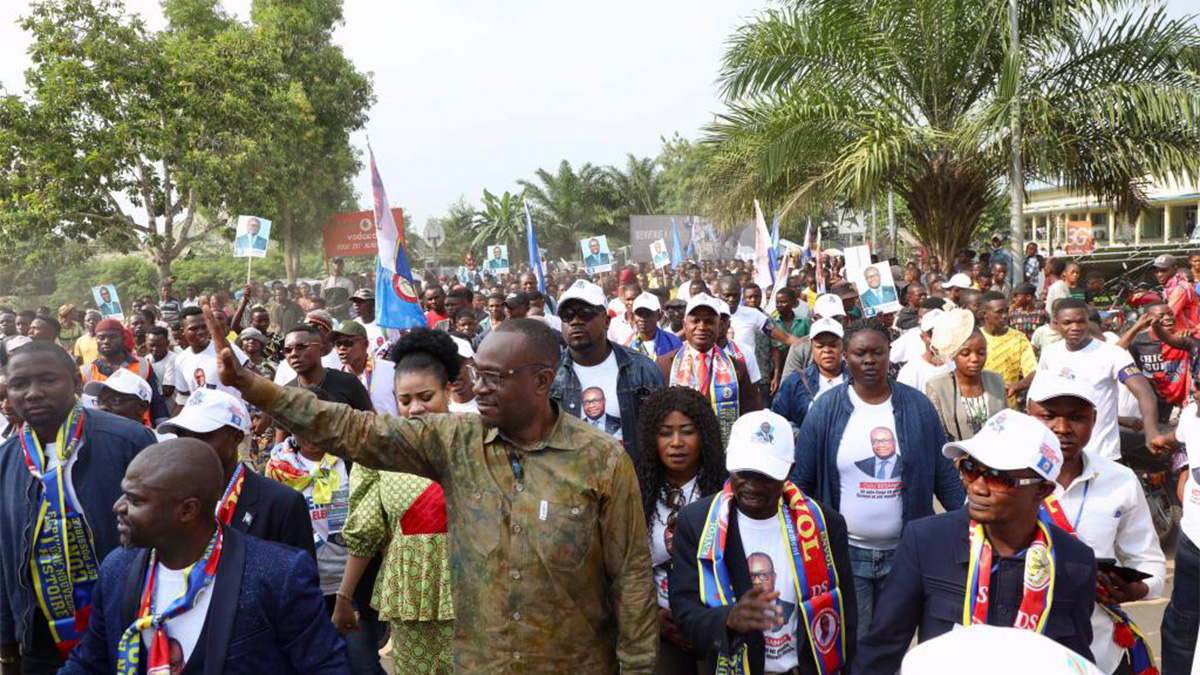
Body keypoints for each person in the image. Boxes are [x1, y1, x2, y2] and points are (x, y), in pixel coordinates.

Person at [201, 307, 658, 673]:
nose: (478, 388)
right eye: (478, 374)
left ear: (541, 381)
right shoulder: (454, 440)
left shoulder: (601, 460)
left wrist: (636, 668)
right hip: (481, 664)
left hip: (574, 664)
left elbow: (631, 576)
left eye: (496, 377)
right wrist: (253, 385)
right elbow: (351, 429)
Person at [58, 439, 350, 675]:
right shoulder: (116, 569)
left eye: (135, 500)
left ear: (187, 510)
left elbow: (326, 666)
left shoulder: (278, 575)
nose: (117, 507)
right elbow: (90, 661)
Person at [853, 410, 1097, 672]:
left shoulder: (1076, 563)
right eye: (970, 469)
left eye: (998, 477)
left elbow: (1075, 663)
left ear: (1042, 490)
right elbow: (881, 650)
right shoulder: (926, 541)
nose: (977, 487)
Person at [793, 319, 965, 644]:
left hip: (906, 555)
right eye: (860, 353)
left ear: (890, 355)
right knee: (857, 643)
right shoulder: (826, 409)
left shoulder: (917, 407)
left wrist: (972, 528)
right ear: (846, 356)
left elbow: (945, 479)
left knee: (895, 643)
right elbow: (802, 481)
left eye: (877, 352)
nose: (869, 360)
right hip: (846, 553)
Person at [0, 341, 156, 674]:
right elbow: (3, 555)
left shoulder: (128, 440)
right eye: (19, 384)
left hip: (124, 625)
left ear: (75, 382)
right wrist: (7, 646)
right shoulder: (6, 459)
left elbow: (161, 536)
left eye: (46, 380)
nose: (32, 393)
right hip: (39, 635)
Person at [670, 410, 856, 675]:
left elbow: (844, 616)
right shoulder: (697, 523)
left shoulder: (825, 525)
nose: (753, 485)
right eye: (744, 472)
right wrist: (728, 619)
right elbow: (685, 613)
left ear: (789, 470)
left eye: (766, 475)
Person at [1025, 371, 1166, 675]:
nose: (1062, 429)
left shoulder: (1120, 480)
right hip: (1024, 653)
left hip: (1100, 653)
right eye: (1048, 416)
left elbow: (1150, 563)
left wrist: (1136, 589)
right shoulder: (999, 480)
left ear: (1094, 419)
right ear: (1028, 415)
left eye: (1077, 417)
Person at [337, 330, 458, 675]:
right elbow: (366, 532)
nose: (416, 408)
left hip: (475, 587)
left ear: (448, 390)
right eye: (405, 400)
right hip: (410, 593)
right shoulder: (380, 452)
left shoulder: (478, 441)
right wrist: (345, 597)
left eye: (426, 396)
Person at [632, 387, 726, 675]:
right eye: (665, 433)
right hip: (657, 626)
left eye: (686, 431)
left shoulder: (725, 490)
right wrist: (655, 619)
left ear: (704, 436)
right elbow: (624, 570)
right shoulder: (636, 489)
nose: (676, 443)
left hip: (717, 624)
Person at [156, 389, 315, 559]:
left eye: (202, 437)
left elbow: (299, 580)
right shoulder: (168, 501)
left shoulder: (281, 504)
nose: (190, 447)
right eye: (182, 436)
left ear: (236, 437)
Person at [1034, 299, 1165, 461]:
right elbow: (1038, 401)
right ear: (1056, 323)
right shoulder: (1050, 353)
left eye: (1081, 321)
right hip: (1061, 454)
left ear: (1088, 321)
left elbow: (1144, 392)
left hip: (1103, 455)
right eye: (1067, 323)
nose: (1075, 328)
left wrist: (1151, 431)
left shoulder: (1112, 353)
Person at [551, 280, 665, 454]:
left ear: (606, 321)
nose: (575, 321)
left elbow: (661, 434)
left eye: (585, 313)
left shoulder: (642, 369)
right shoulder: (550, 375)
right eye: (567, 315)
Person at [658, 294, 761, 445]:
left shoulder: (736, 367)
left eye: (709, 321)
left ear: (719, 327)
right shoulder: (665, 364)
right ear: (684, 325)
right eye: (695, 320)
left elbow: (751, 415)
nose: (702, 326)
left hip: (721, 452)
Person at [1162, 389, 1200, 674]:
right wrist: (1184, 470)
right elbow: (1179, 440)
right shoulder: (1191, 414)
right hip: (1192, 539)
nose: (1198, 392)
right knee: (1180, 628)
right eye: (1197, 384)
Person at [925, 312, 1008, 441]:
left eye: (981, 353)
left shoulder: (996, 380)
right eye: (965, 353)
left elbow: (1006, 423)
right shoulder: (938, 386)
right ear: (953, 355)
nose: (975, 359)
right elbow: (936, 434)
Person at [80, 319, 170, 425]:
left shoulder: (143, 365)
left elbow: (157, 403)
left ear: (123, 338)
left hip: (140, 431)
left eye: (112, 337)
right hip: (104, 432)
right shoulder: (86, 371)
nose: (106, 341)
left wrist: (163, 432)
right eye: (101, 338)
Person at [771, 318, 847, 433]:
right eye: (820, 346)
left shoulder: (858, 381)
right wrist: (800, 436)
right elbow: (776, 420)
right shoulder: (795, 382)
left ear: (842, 346)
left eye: (833, 345)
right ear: (812, 346)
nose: (826, 350)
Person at [172, 307, 250, 406]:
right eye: (194, 328)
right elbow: (183, 398)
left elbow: (256, 379)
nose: (200, 332)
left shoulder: (227, 349)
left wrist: (263, 415)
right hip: (202, 419)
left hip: (232, 418)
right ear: (183, 331)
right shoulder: (181, 359)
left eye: (204, 327)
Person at [976, 292, 1037, 405]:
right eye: (999, 312)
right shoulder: (976, 338)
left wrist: (1016, 386)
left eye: (1006, 310)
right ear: (985, 314)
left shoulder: (1019, 338)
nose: (1004, 315)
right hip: (980, 405)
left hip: (1008, 406)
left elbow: (1033, 372)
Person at [332, 320, 398, 416]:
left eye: (348, 343)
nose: (342, 348)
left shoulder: (390, 370)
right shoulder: (338, 381)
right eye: (338, 344)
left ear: (366, 344)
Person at [896, 308, 954, 395]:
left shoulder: (957, 364)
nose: (937, 338)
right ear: (922, 337)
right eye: (932, 333)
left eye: (943, 332)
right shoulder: (909, 372)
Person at [624, 293, 683, 360]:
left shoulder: (673, 343)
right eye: (639, 314)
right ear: (633, 316)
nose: (642, 319)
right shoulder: (628, 344)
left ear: (659, 316)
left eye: (648, 314)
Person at [1153, 253, 1200, 336]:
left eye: (1164, 270)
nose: (1159, 274)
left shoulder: (1180, 289)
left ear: (1175, 269)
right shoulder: (1169, 288)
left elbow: (1167, 315)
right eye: (1156, 271)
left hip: (1187, 334)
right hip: (1180, 333)